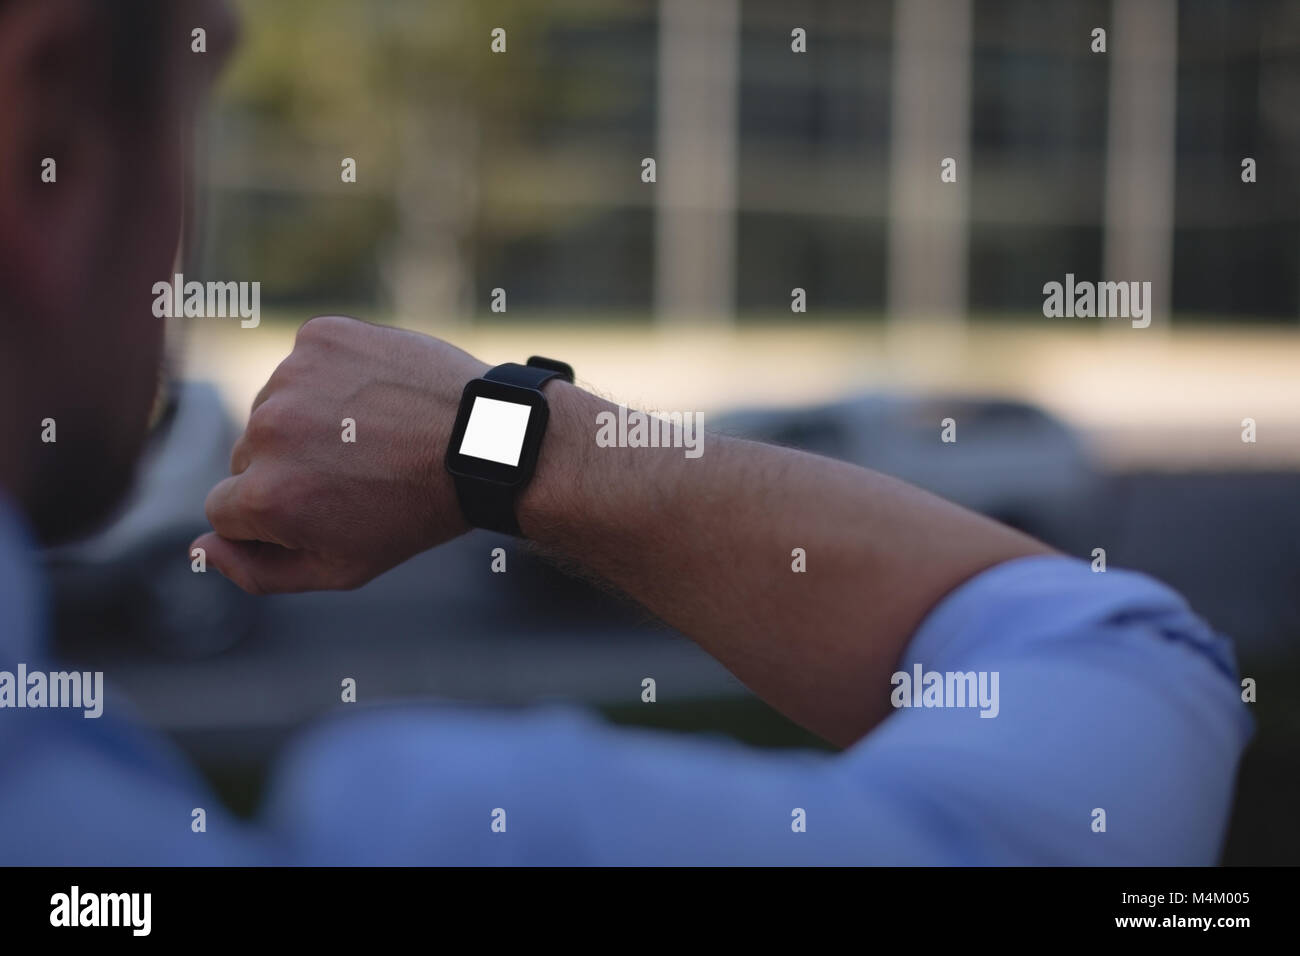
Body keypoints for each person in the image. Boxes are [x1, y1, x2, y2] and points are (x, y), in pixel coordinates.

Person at [0, 0, 1251, 865]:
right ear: (45, 132)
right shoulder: (436, 826)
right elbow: (1118, 656)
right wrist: (512, 440)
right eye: (196, 86)